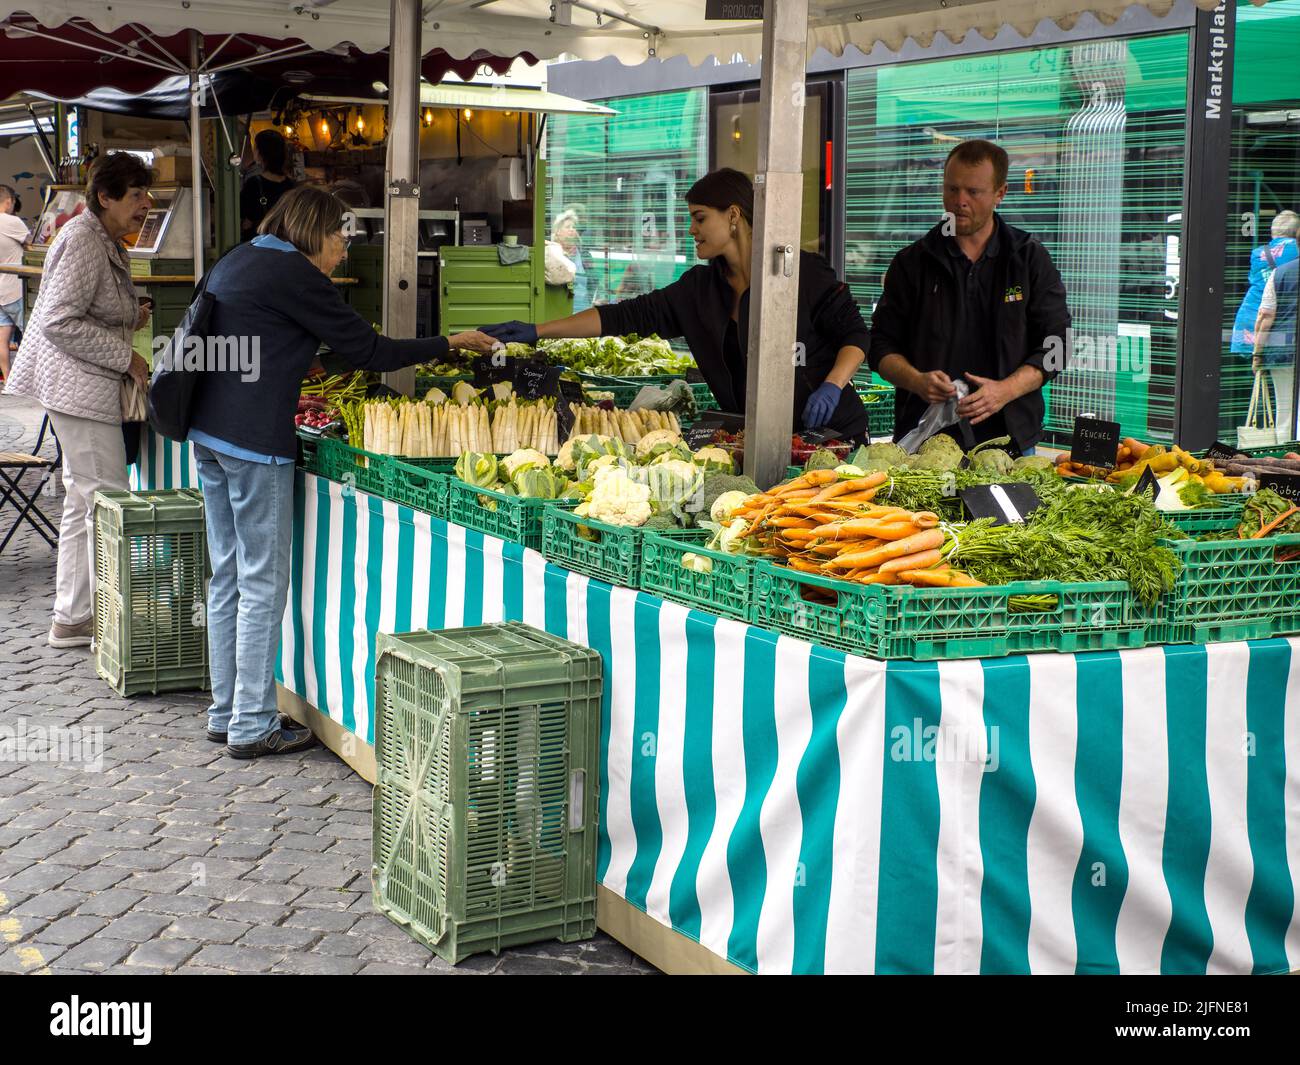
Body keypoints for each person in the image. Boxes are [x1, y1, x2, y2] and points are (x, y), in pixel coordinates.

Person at [190, 184, 496, 759]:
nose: (342, 252)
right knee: (261, 580)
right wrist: (449, 341)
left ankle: (225, 709)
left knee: (228, 575)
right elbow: (370, 352)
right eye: (339, 238)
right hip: (254, 442)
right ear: (313, 231)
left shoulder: (241, 257)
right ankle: (253, 723)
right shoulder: (297, 275)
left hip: (207, 433)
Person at [481, 169, 871, 439]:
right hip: (760, 438)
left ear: (733, 215)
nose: (690, 229)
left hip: (832, 434)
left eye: (700, 218)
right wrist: (540, 331)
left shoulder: (799, 273)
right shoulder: (698, 290)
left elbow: (855, 335)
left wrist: (833, 385)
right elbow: (624, 315)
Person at [3, 154, 153, 647]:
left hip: (82, 385)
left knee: (84, 500)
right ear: (105, 196)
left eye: (145, 194)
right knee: (100, 499)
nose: (145, 204)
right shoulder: (85, 238)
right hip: (80, 388)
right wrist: (125, 356)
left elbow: (83, 309)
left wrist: (130, 315)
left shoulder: (101, 238)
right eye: (135, 195)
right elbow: (58, 321)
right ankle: (88, 617)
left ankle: (74, 615)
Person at [868, 138, 1070, 453]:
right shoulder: (912, 263)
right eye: (952, 189)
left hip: (1011, 442)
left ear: (1000, 194)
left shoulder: (1028, 259)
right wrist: (916, 380)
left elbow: (1057, 344)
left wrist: (1005, 390)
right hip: (924, 446)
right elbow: (880, 347)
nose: (959, 201)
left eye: (973, 192)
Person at [1231, 211, 1298, 360]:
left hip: (1251, 316)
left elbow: (1253, 279)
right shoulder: (1296, 250)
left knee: (1257, 371)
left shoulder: (1257, 253)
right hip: (1279, 320)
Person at [1253, 255, 1299, 439]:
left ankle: (1287, 459)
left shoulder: (1281, 272)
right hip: (1285, 352)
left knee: (1286, 412)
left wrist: (1257, 355)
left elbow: (1265, 316)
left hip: (1284, 352)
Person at [239, 129, 296, 239]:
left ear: (260, 154)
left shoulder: (253, 184)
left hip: (259, 246)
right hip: (286, 244)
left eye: (255, 147)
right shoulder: (291, 185)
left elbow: (245, 220)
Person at [0, 184, 29, 379]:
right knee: (30, 336)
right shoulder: (11, 221)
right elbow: (32, 244)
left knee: (2, 338)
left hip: (1, 291)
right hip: (16, 288)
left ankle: (9, 379)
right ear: (9, 201)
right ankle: (30, 380)